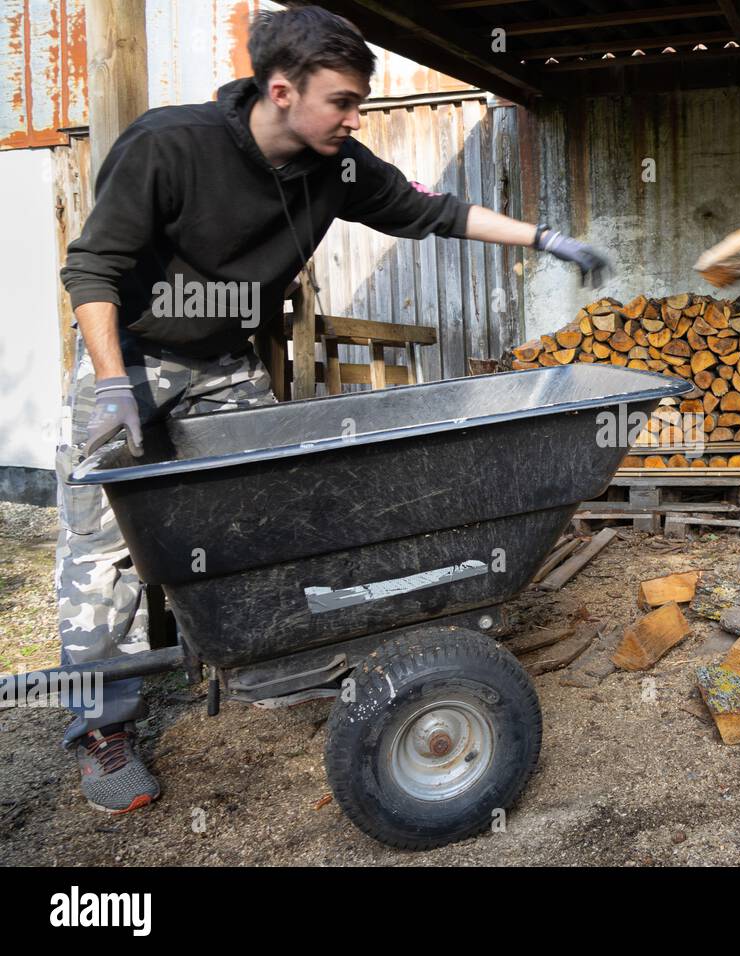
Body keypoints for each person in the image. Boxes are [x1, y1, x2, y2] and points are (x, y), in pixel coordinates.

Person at [56, 4, 611, 813]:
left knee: (260, 513)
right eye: (343, 102)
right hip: (131, 355)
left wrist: (544, 240)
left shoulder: (335, 166)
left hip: (225, 364)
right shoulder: (169, 145)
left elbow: (435, 211)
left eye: (359, 102)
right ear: (281, 90)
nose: (355, 119)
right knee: (104, 542)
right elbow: (93, 268)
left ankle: (266, 653)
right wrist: (112, 384)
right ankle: (101, 728)